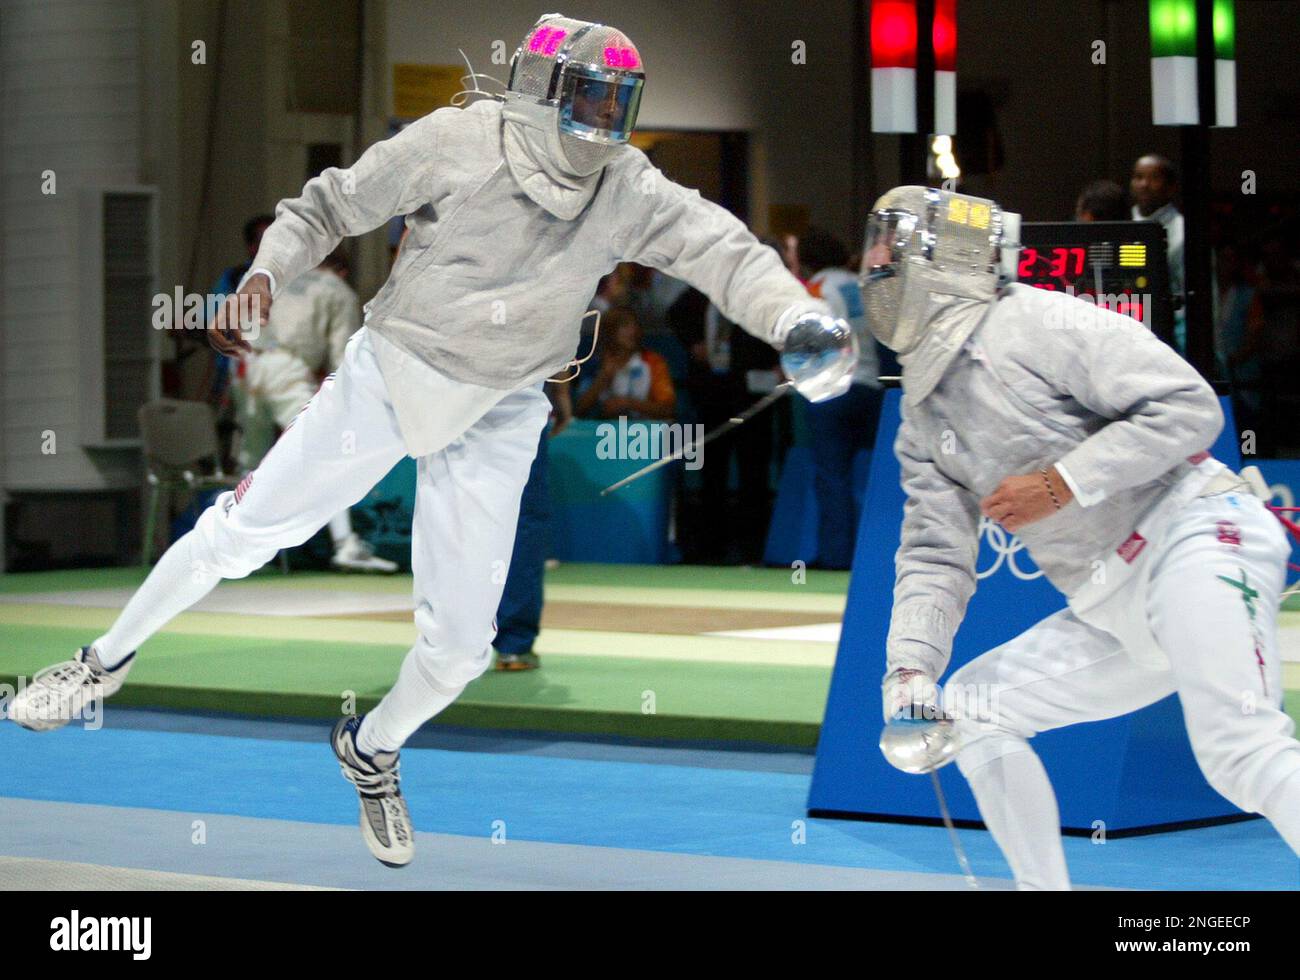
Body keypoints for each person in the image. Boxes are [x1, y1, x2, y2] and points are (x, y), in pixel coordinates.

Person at [9, 14, 853, 868]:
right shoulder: (458, 140)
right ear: (541, 88)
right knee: (242, 535)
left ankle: (370, 748)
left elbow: (725, 252)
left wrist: (799, 317)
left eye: (618, 104)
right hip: (394, 374)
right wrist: (266, 272)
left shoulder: (626, 187)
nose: (603, 124)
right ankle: (99, 665)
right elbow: (328, 204)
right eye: (589, 98)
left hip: (503, 409)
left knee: (459, 652)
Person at [865, 185, 1300, 890]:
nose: (879, 266)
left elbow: (1187, 407)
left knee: (1240, 752)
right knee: (971, 708)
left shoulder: (1037, 323)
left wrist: (1063, 480)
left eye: (893, 248)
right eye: (876, 249)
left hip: (1195, 534)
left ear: (945, 256)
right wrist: (909, 671)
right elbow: (933, 555)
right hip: (1114, 602)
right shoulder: (921, 415)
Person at [232, 249, 397, 572]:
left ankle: (237, 545)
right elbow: (342, 357)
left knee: (251, 459)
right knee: (324, 452)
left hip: (247, 369)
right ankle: (344, 544)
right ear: (342, 270)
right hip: (289, 373)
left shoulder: (267, 276)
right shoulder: (335, 289)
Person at [801, 227, 884, 569]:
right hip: (871, 387)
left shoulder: (818, 286)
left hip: (833, 391)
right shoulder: (859, 283)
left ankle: (836, 557)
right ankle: (874, 557)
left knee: (833, 476)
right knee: (875, 475)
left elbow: (809, 336)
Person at [492, 382, 571, 672]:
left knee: (449, 509)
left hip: (450, 392)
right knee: (523, 518)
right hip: (519, 393)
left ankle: (445, 647)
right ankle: (513, 646)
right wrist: (561, 393)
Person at [574, 307, 675, 421]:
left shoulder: (653, 362)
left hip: (644, 432)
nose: (632, 331)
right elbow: (578, 410)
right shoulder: (595, 364)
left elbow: (667, 409)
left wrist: (628, 403)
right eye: (624, 326)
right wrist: (603, 379)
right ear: (610, 331)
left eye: (634, 326)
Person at [1130, 154, 1186, 349]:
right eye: (1138, 177)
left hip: (1171, 337)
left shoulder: (1182, 231)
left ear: (1171, 187)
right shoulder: (1122, 225)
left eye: (1153, 178)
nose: (1144, 184)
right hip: (1130, 330)